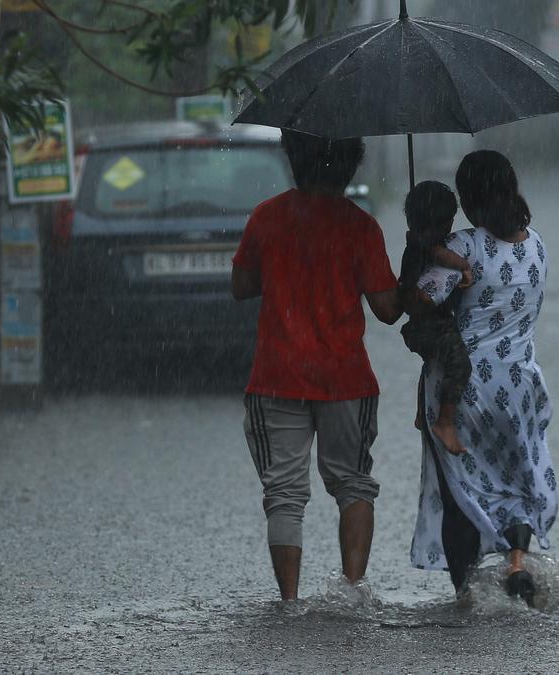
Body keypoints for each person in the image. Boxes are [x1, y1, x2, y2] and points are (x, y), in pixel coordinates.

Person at [231, 130, 401, 601]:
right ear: (350, 167)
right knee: (353, 482)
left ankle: (289, 601)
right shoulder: (361, 227)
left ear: (293, 161)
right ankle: (352, 589)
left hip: (278, 375)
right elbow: (387, 309)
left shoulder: (267, 218)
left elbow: (241, 285)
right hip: (345, 378)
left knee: (284, 493)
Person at [408, 150, 557, 607]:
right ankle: (516, 563)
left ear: (469, 199)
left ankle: (466, 596)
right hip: (519, 386)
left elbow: (420, 302)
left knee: (459, 491)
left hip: (462, 388)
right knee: (516, 480)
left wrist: (418, 253)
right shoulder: (537, 246)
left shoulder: (465, 246)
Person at [397, 181, 473, 457]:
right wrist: (464, 266)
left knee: (433, 363)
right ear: (449, 221)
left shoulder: (415, 240)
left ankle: (422, 412)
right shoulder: (425, 243)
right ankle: (445, 421)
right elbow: (442, 255)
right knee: (460, 364)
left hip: (422, 325)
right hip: (429, 324)